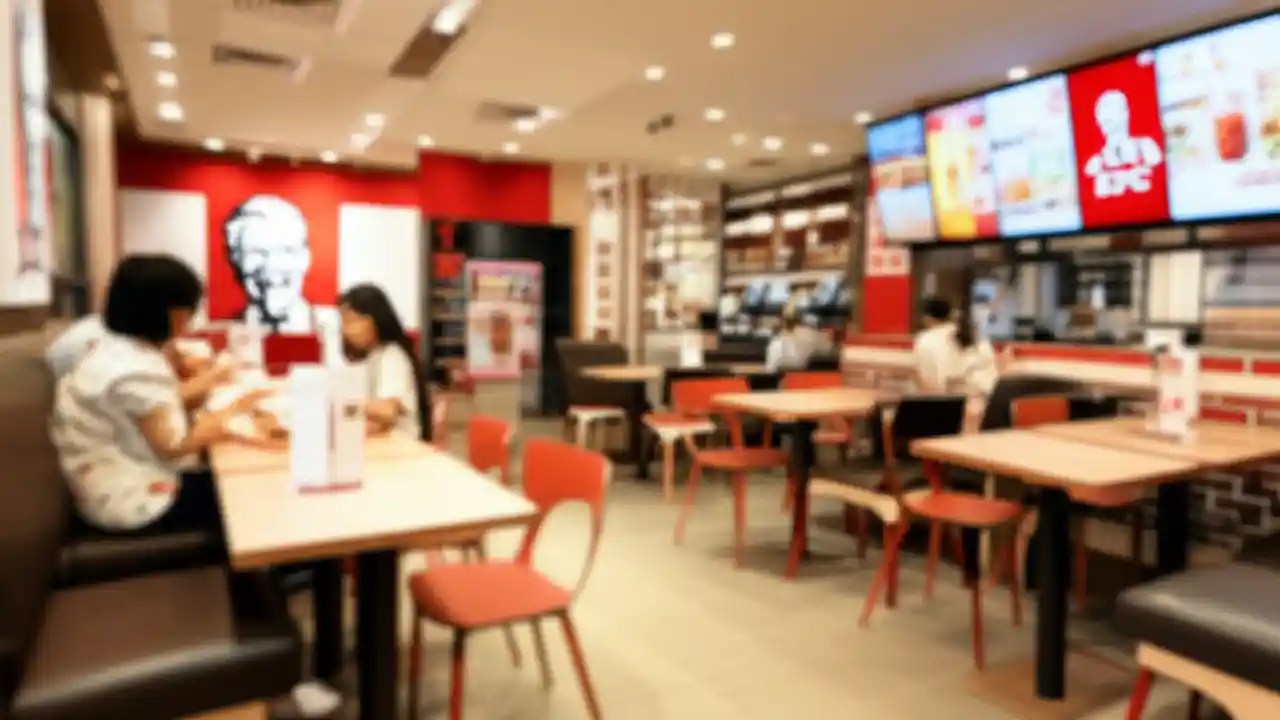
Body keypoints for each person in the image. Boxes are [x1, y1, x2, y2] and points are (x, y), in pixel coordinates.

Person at [49, 255, 256, 533]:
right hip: (136, 499)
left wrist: (219, 395)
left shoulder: (115, 348)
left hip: (107, 487)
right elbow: (174, 446)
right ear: (172, 313)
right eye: (189, 309)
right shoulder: (135, 370)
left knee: (235, 477)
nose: (191, 319)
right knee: (244, 494)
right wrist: (226, 418)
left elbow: (155, 406)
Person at [338, 284, 428, 440]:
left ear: (374, 321)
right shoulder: (372, 357)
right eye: (343, 323)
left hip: (401, 447)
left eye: (351, 321)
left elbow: (387, 411)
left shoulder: (392, 356)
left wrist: (346, 405)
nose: (346, 331)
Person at [224, 194, 314, 333]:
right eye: (256, 253)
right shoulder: (225, 335)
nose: (271, 266)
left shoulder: (331, 333)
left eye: (285, 251)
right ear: (235, 259)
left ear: (305, 258)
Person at [913, 296, 961, 393]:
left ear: (927, 317)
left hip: (945, 397)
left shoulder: (926, 339)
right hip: (980, 395)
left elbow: (925, 380)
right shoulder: (965, 333)